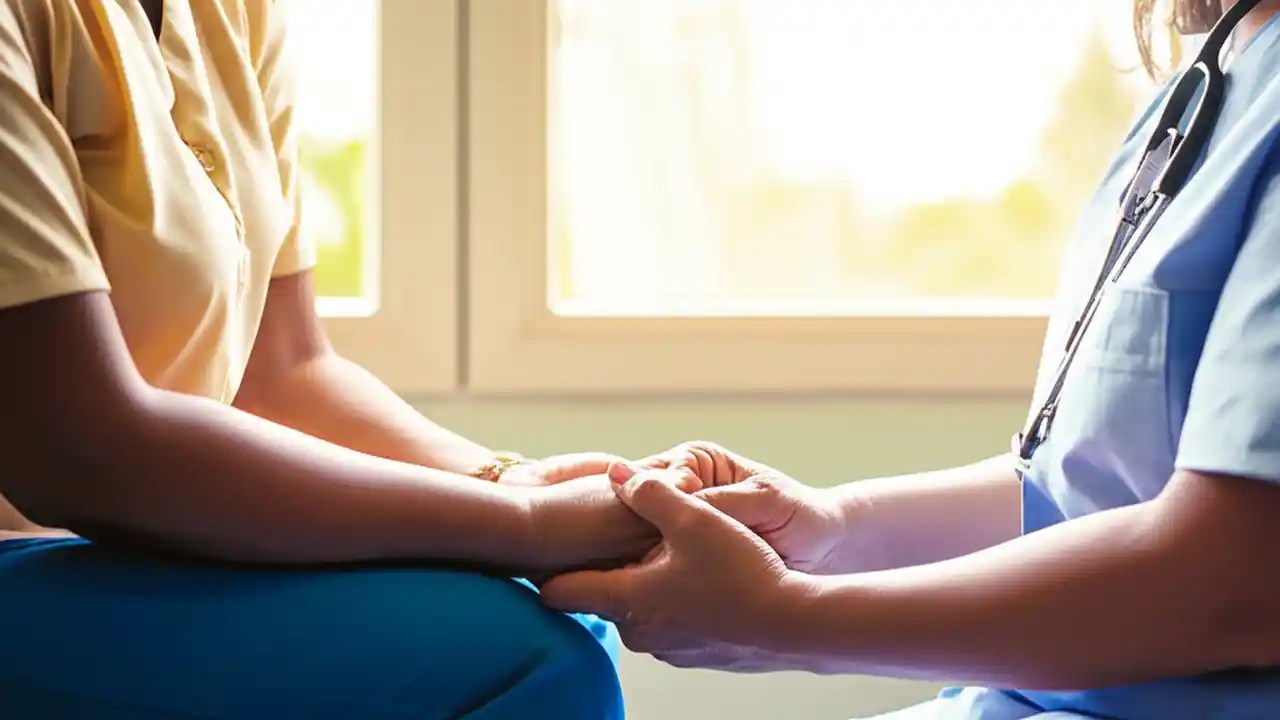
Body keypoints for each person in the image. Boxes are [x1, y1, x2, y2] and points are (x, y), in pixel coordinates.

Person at [543, 1, 1280, 718]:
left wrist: (782, 617)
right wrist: (830, 525)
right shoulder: (1210, 82)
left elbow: (1236, 576)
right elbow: (1081, 489)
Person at [0, 1, 656, 716]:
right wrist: (527, 525)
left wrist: (507, 481)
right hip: (34, 543)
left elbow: (279, 372)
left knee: (575, 612)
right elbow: (78, 445)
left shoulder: (233, 14)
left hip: (116, 547)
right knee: (535, 664)